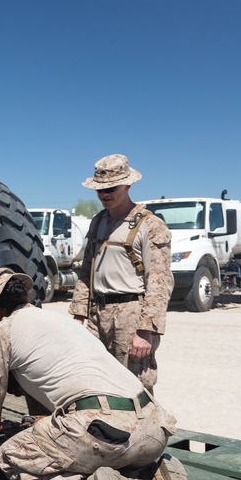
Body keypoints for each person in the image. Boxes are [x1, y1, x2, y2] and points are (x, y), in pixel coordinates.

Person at [0, 267, 199, 480]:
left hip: (105, 433)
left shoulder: (2, 332)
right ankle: (150, 471)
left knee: (11, 455)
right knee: (112, 445)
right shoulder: (59, 321)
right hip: (156, 427)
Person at [69, 154, 173, 392]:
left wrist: (146, 330)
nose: (104, 195)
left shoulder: (150, 226)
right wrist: (79, 314)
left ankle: (142, 429)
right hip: (97, 311)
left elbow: (159, 282)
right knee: (93, 379)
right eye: (99, 190)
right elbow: (87, 271)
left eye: (111, 188)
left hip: (131, 314)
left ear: (127, 185)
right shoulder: (98, 222)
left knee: (134, 385)